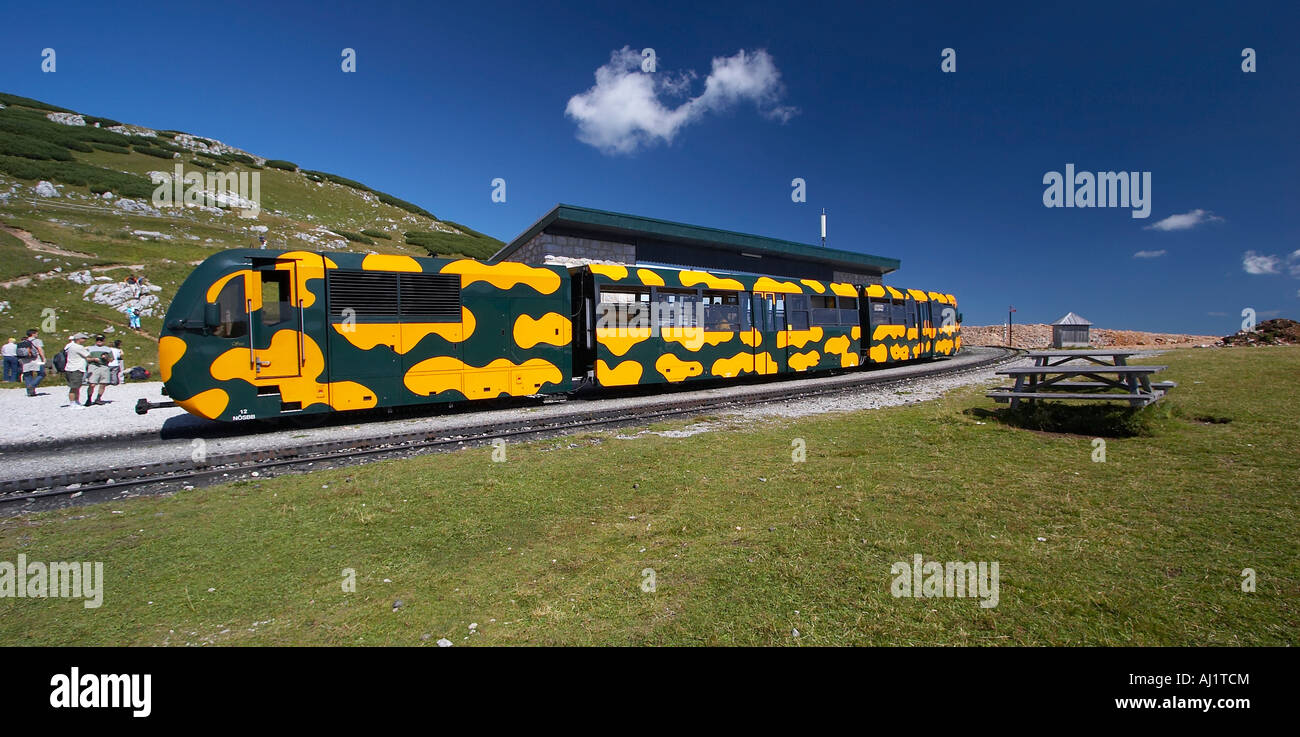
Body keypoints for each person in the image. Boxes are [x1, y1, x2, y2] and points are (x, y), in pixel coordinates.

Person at [62, 333, 91, 408]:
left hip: (71, 367)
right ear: (78, 339)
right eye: (83, 338)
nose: (85, 340)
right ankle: (72, 403)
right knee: (74, 387)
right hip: (76, 368)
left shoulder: (70, 346)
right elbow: (88, 355)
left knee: (77, 386)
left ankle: (76, 401)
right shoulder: (79, 347)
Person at [85, 335, 113, 406]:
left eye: (101, 340)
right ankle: (89, 399)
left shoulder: (108, 349)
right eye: (98, 339)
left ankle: (98, 398)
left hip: (104, 366)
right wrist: (93, 359)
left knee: (103, 383)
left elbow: (111, 359)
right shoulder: (90, 348)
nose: (99, 341)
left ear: (104, 341)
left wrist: (106, 358)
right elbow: (86, 358)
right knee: (92, 384)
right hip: (94, 366)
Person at [18, 329, 45, 397]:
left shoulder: (24, 341)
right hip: (36, 359)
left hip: (25, 360)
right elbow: (40, 349)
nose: (37, 335)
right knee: (42, 373)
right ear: (33, 334)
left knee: (27, 375)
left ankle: (30, 392)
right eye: (36, 333)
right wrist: (43, 358)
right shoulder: (37, 341)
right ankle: (32, 385)